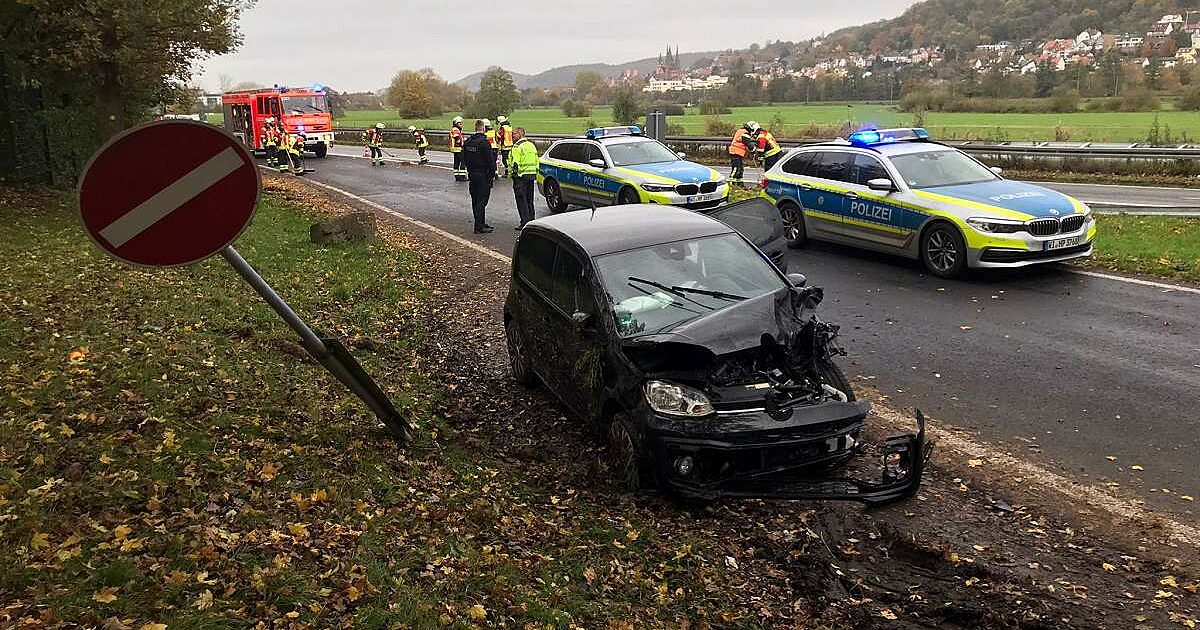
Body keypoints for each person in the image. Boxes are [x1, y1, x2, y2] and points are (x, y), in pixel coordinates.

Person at [462, 119, 496, 233]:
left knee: (475, 199)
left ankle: (480, 222)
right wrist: (492, 175)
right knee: (482, 200)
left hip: (472, 174)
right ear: (484, 129)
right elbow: (490, 161)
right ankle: (479, 226)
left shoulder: (468, 142)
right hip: (483, 175)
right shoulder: (484, 143)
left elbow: (464, 158)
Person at [507, 127, 539, 229]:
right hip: (531, 176)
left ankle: (525, 222)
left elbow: (515, 162)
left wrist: (513, 174)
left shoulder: (517, 146)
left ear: (520, 134)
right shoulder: (531, 145)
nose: (512, 135)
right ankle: (531, 220)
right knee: (529, 200)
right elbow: (536, 160)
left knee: (521, 200)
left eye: (514, 133)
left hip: (520, 177)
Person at [449, 116, 467, 180]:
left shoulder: (455, 129)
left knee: (456, 162)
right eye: (460, 124)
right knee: (463, 161)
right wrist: (461, 144)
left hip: (455, 148)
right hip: (458, 148)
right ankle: (462, 176)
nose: (461, 125)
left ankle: (457, 175)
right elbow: (457, 137)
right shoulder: (456, 130)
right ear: (456, 124)